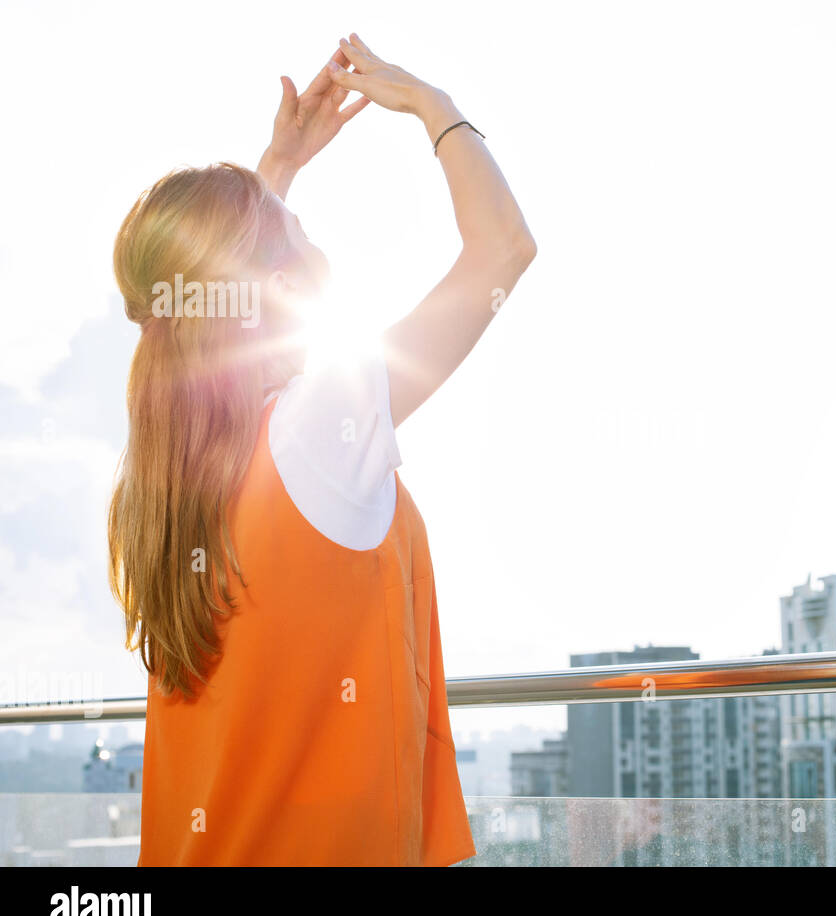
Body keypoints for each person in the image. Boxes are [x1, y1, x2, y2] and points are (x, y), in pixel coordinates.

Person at [108, 33, 536, 865]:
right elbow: (503, 249)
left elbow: (214, 293)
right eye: (293, 228)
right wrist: (431, 105)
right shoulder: (317, 433)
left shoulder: (173, 467)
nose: (311, 238)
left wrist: (278, 167)